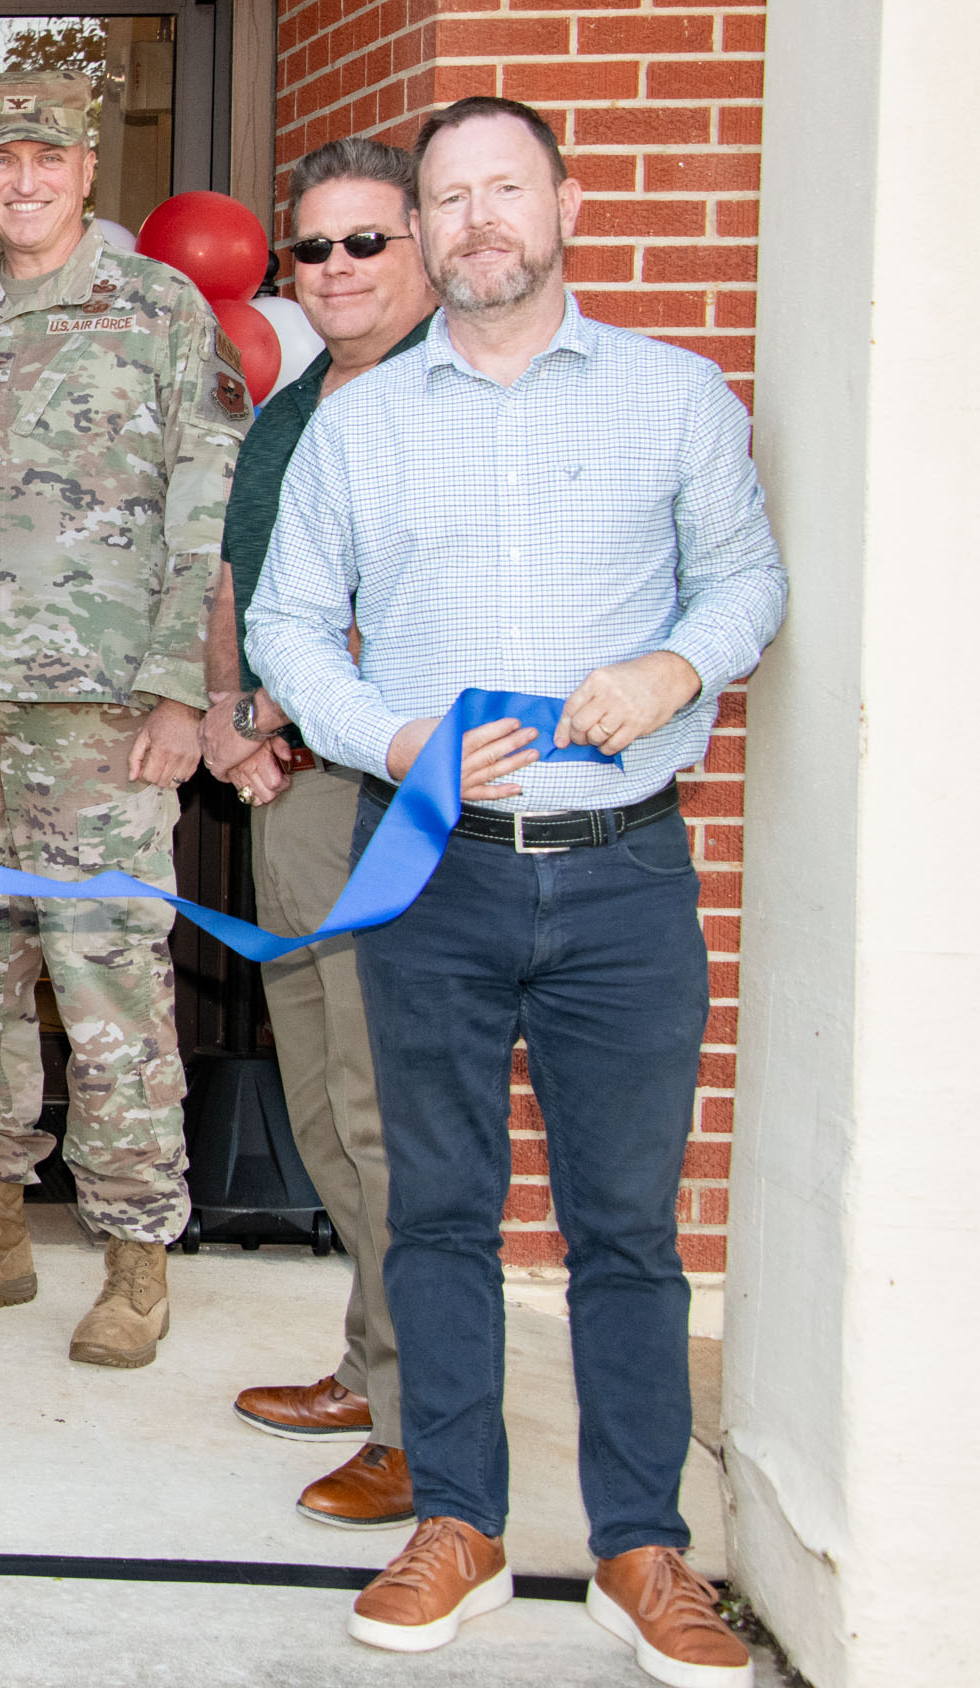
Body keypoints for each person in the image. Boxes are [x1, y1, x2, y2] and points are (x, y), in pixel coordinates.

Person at [250, 96, 782, 1683]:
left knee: (626, 1229)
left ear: (565, 207)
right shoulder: (362, 422)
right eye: (449, 198)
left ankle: (642, 1550)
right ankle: (461, 1523)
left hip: (625, 879)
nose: (478, 220)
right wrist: (395, 735)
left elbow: (746, 577)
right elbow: (289, 625)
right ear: (422, 230)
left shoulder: (676, 400)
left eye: (506, 190)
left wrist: (678, 659)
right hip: (433, 877)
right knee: (441, 1212)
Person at [0, 71, 250, 1368]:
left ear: (88, 168)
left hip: (98, 713)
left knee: (108, 983)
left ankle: (137, 1253)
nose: (23, 180)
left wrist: (180, 695)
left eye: (46, 158)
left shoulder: (156, 308)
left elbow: (206, 515)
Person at [200, 136, 437, 1530]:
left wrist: (277, 702)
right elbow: (248, 572)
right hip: (289, 776)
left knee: (379, 1107)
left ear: (420, 250)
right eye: (315, 249)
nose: (337, 269)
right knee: (317, 1099)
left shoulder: (446, 397)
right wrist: (236, 713)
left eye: (368, 242)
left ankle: (423, 1421)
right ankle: (369, 1360)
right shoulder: (299, 404)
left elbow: (421, 602)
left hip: (393, 796)